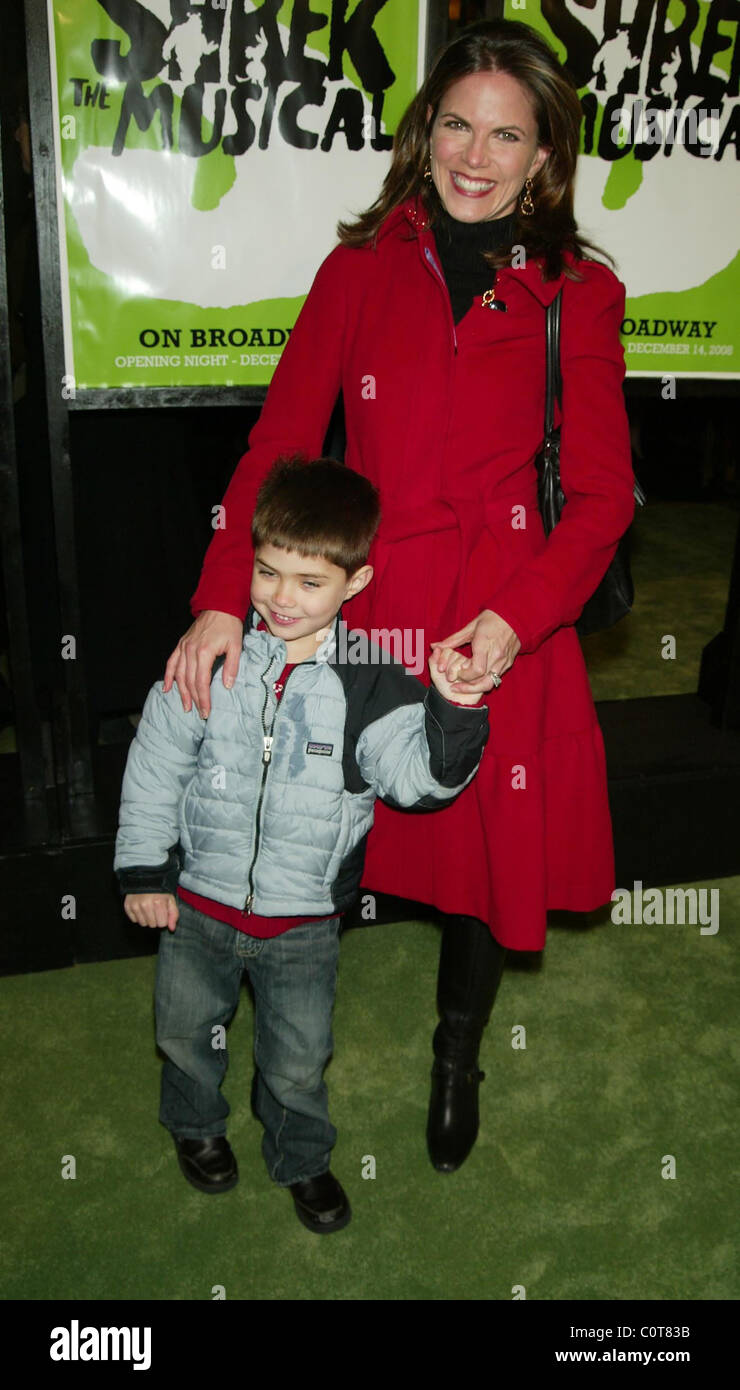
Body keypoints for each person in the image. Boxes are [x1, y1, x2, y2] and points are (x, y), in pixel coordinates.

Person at [163, 20, 635, 1175]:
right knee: (290, 849)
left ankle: (456, 1050)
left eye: (506, 134)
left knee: (480, 867)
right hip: (361, 617)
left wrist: (515, 624)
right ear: (425, 132)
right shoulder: (356, 271)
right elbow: (279, 445)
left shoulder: (581, 293)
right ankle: (251, 1066)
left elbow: (601, 500)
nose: (476, 154)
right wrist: (227, 596)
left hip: (495, 623)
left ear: (543, 157)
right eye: (457, 125)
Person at [114, 457, 489, 1234]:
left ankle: (301, 1160)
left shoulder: (372, 682)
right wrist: (146, 871)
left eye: (309, 582)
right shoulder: (209, 655)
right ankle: (196, 1127)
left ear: (354, 585)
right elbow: (155, 766)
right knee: (185, 1036)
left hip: (303, 926)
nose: (282, 598)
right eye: (267, 572)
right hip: (194, 910)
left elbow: (420, 784)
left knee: (297, 1062)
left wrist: (454, 709)